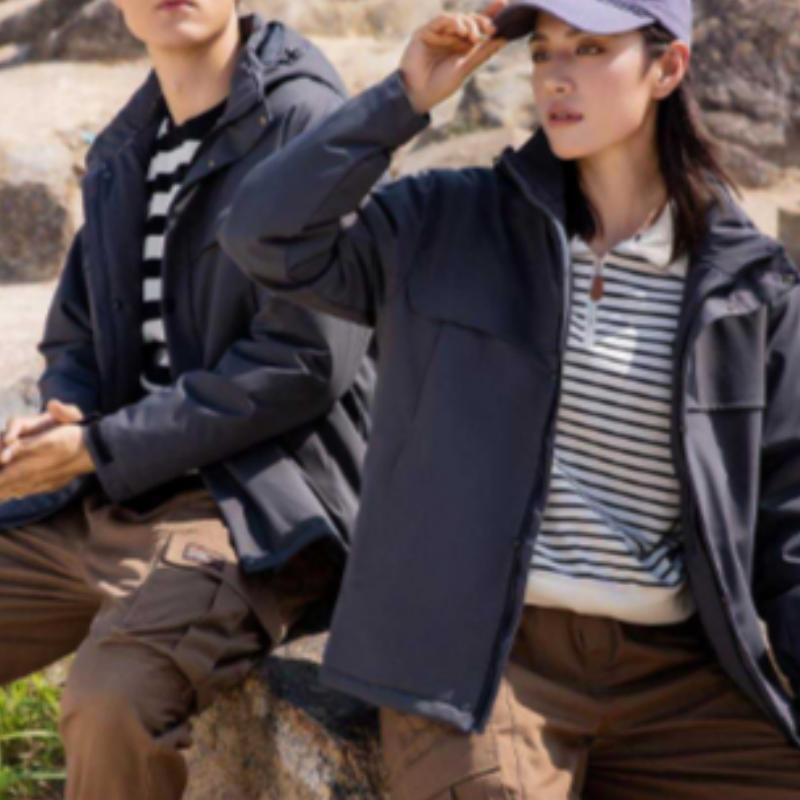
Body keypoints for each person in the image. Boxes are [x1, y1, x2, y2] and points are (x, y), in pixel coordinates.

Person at [218, 0, 800, 797]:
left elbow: (789, 518)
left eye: (589, 49)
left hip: (674, 674)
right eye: (543, 52)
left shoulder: (748, 284)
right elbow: (261, 235)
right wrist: (403, 97)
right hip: (480, 662)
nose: (556, 75)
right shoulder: (448, 221)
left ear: (668, 67)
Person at [0, 1, 374, 798]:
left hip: (250, 506)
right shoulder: (125, 147)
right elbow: (76, 337)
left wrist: (97, 447)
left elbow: (304, 361)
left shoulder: (305, 123)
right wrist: (67, 414)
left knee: (112, 701)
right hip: (112, 494)